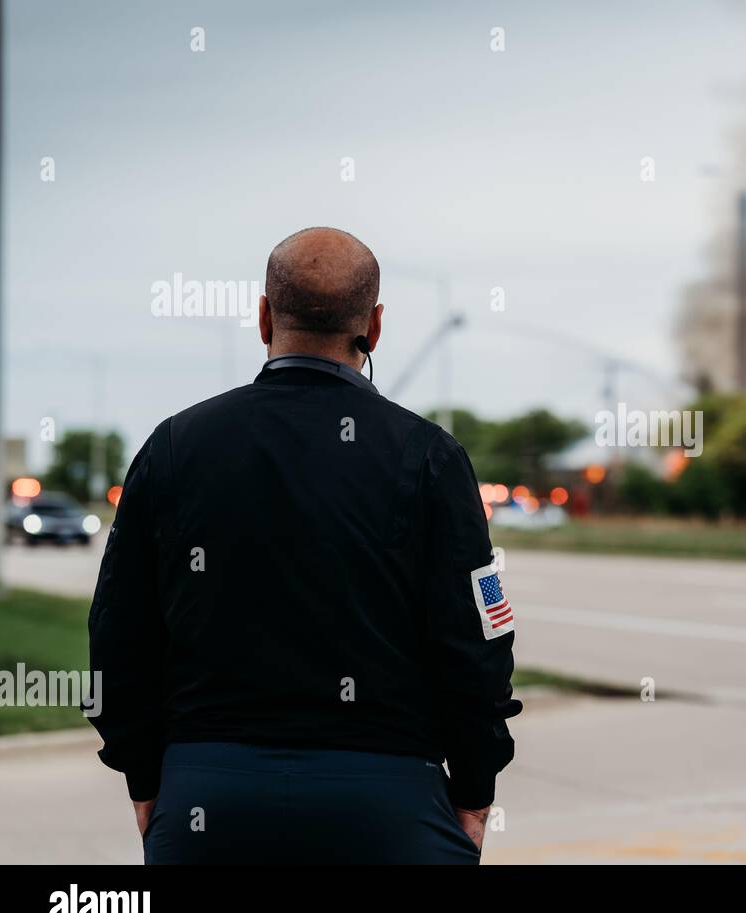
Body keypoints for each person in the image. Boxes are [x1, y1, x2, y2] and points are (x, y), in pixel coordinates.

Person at [85, 226, 521, 864]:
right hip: (388, 801)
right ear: (374, 327)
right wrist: (476, 791)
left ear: (264, 317)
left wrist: (145, 779)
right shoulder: (429, 457)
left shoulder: (176, 447)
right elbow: (476, 644)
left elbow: (117, 634)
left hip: (211, 795)